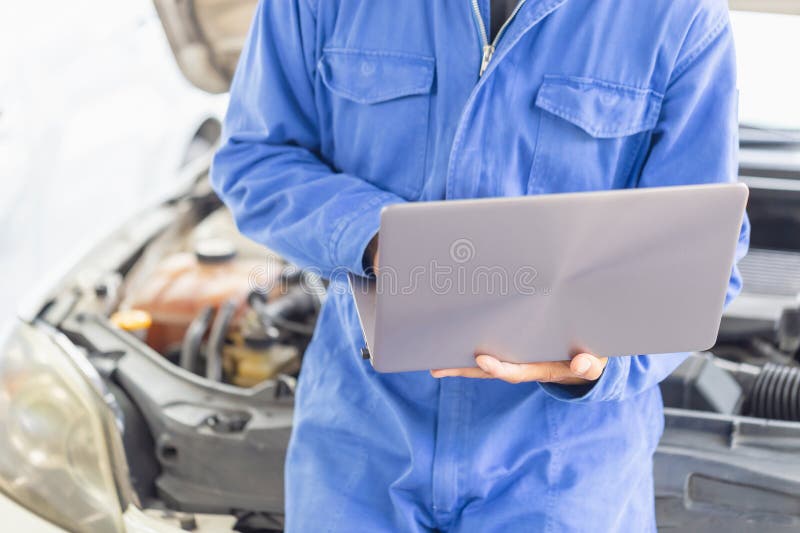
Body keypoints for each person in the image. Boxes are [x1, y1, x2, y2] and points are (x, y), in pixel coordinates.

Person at [211, 0, 750, 530]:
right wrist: (376, 237)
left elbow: (699, 260)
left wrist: (607, 363)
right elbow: (256, 157)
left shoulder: (679, 15)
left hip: (564, 470)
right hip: (359, 448)